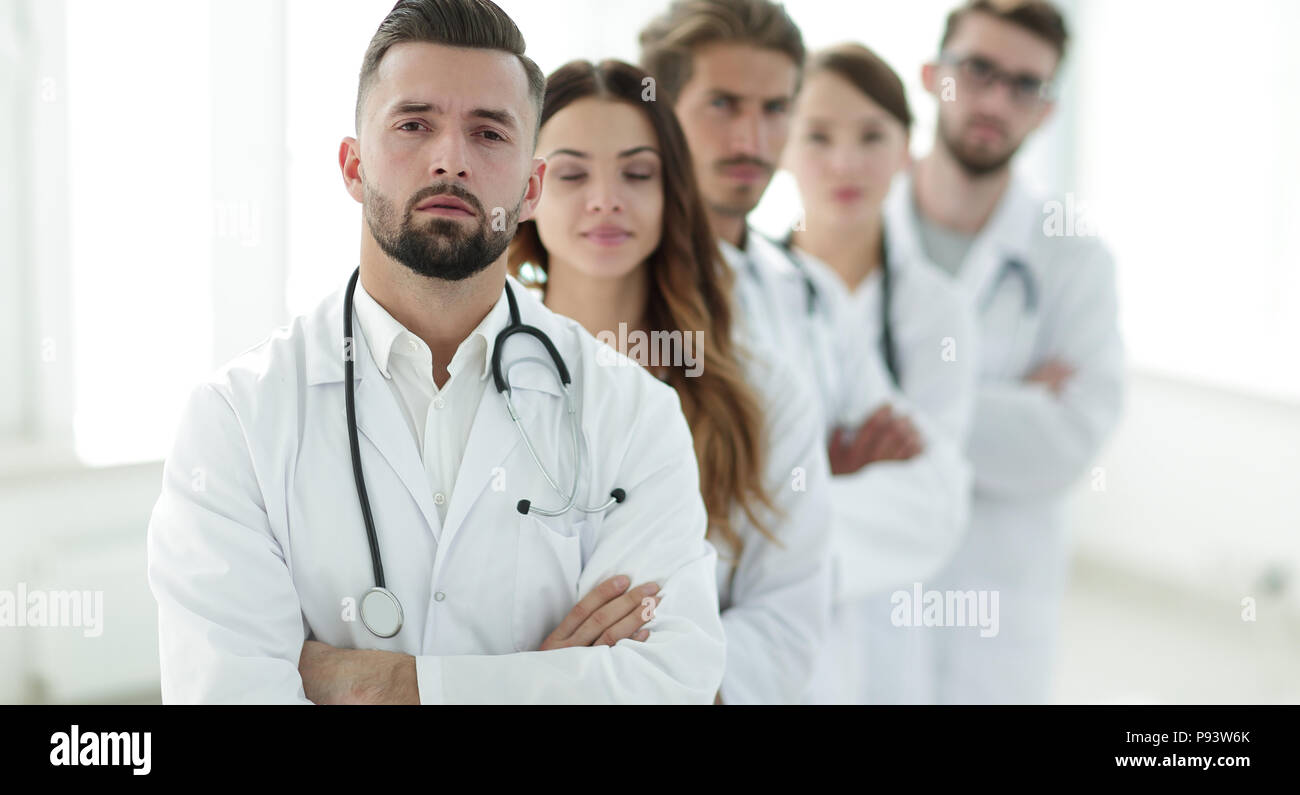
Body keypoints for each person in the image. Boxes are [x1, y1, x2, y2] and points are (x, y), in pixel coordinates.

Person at [145, 0, 725, 705]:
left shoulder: (632, 411)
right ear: (353, 167)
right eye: (414, 124)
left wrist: (382, 685)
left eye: (488, 132)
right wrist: (545, 683)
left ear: (531, 186)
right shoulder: (236, 419)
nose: (450, 158)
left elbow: (671, 681)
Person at [509, 58, 831, 704]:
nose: (606, 198)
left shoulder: (762, 395)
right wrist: (546, 682)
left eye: (637, 172)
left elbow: (787, 617)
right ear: (527, 192)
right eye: (572, 172)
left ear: (671, 195)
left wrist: (654, 677)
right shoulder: (478, 370)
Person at [886, 0, 1124, 703]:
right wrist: (1011, 400)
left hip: (995, 618)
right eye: (978, 69)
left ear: (1047, 110)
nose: (996, 98)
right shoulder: (853, 227)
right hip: (867, 602)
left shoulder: (1076, 260)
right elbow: (812, 423)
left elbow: (1068, 440)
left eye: (1025, 85)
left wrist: (895, 404)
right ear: (933, 76)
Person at [779, 43, 977, 703]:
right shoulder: (747, 292)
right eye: (818, 135)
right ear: (781, 145)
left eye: (871, 136)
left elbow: (930, 491)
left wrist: (803, 476)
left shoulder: (937, 310)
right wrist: (845, 465)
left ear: (905, 152)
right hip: (775, 637)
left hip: (893, 620)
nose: (845, 162)